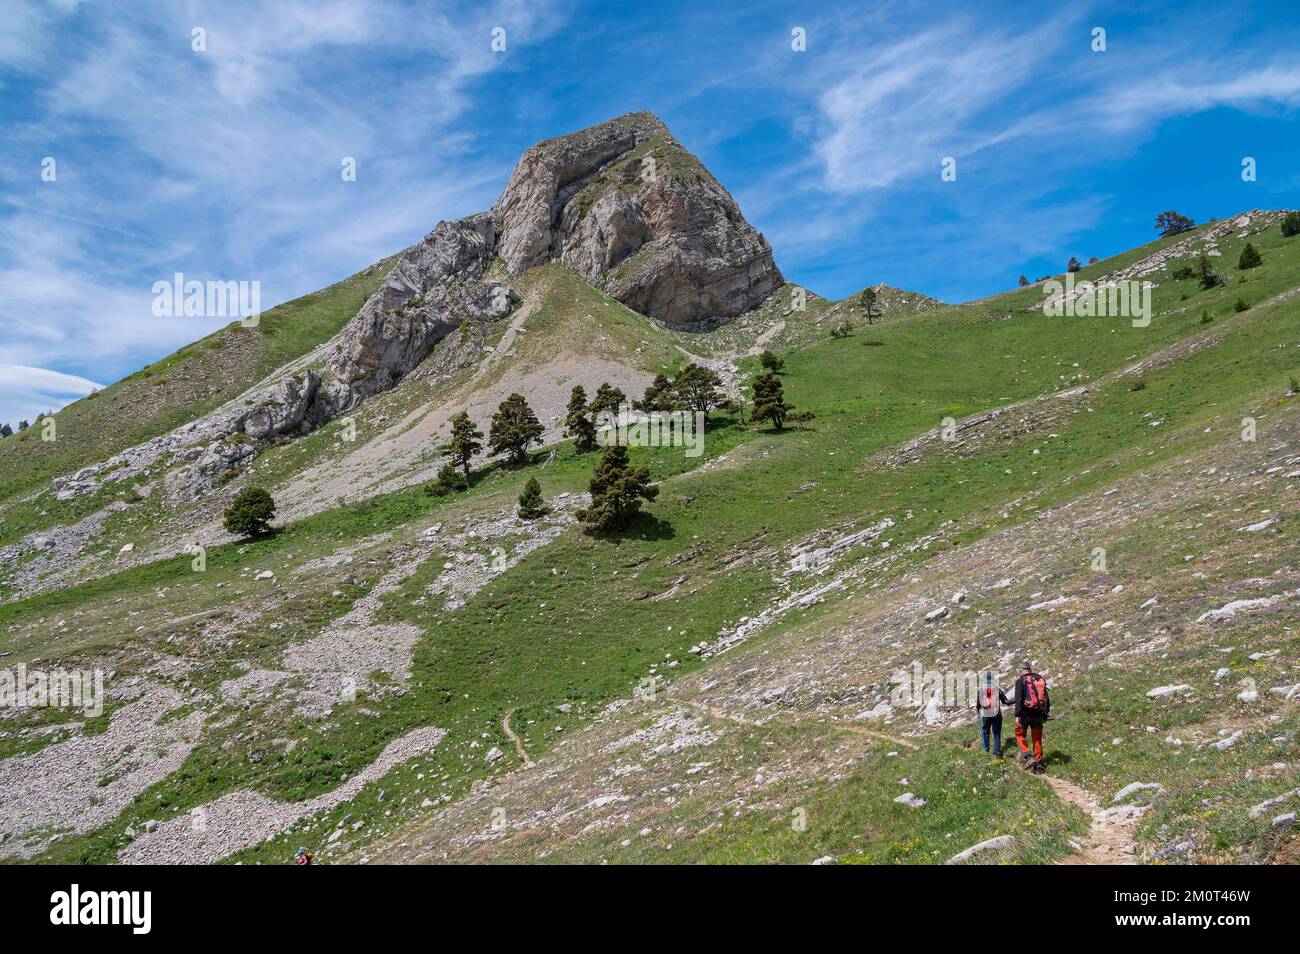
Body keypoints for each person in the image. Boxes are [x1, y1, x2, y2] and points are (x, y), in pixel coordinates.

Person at [1009, 661, 1049, 772]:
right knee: (1037, 740)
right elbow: (1046, 699)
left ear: (1021, 669)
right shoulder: (1039, 679)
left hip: (1025, 714)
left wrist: (1017, 716)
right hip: (1038, 714)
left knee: (1020, 735)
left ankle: (1029, 756)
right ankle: (1039, 765)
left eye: (1018, 670)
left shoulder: (1020, 681)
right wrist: (1045, 715)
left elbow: (1018, 700)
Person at [973, 671, 1009, 758]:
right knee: (996, 733)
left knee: (985, 731)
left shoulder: (981, 689)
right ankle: (997, 751)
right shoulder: (997, 688)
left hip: (986, 714)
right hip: (997, 714)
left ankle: (987, 747)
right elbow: (1005, 701)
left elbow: (978, 704)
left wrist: (978, 710)